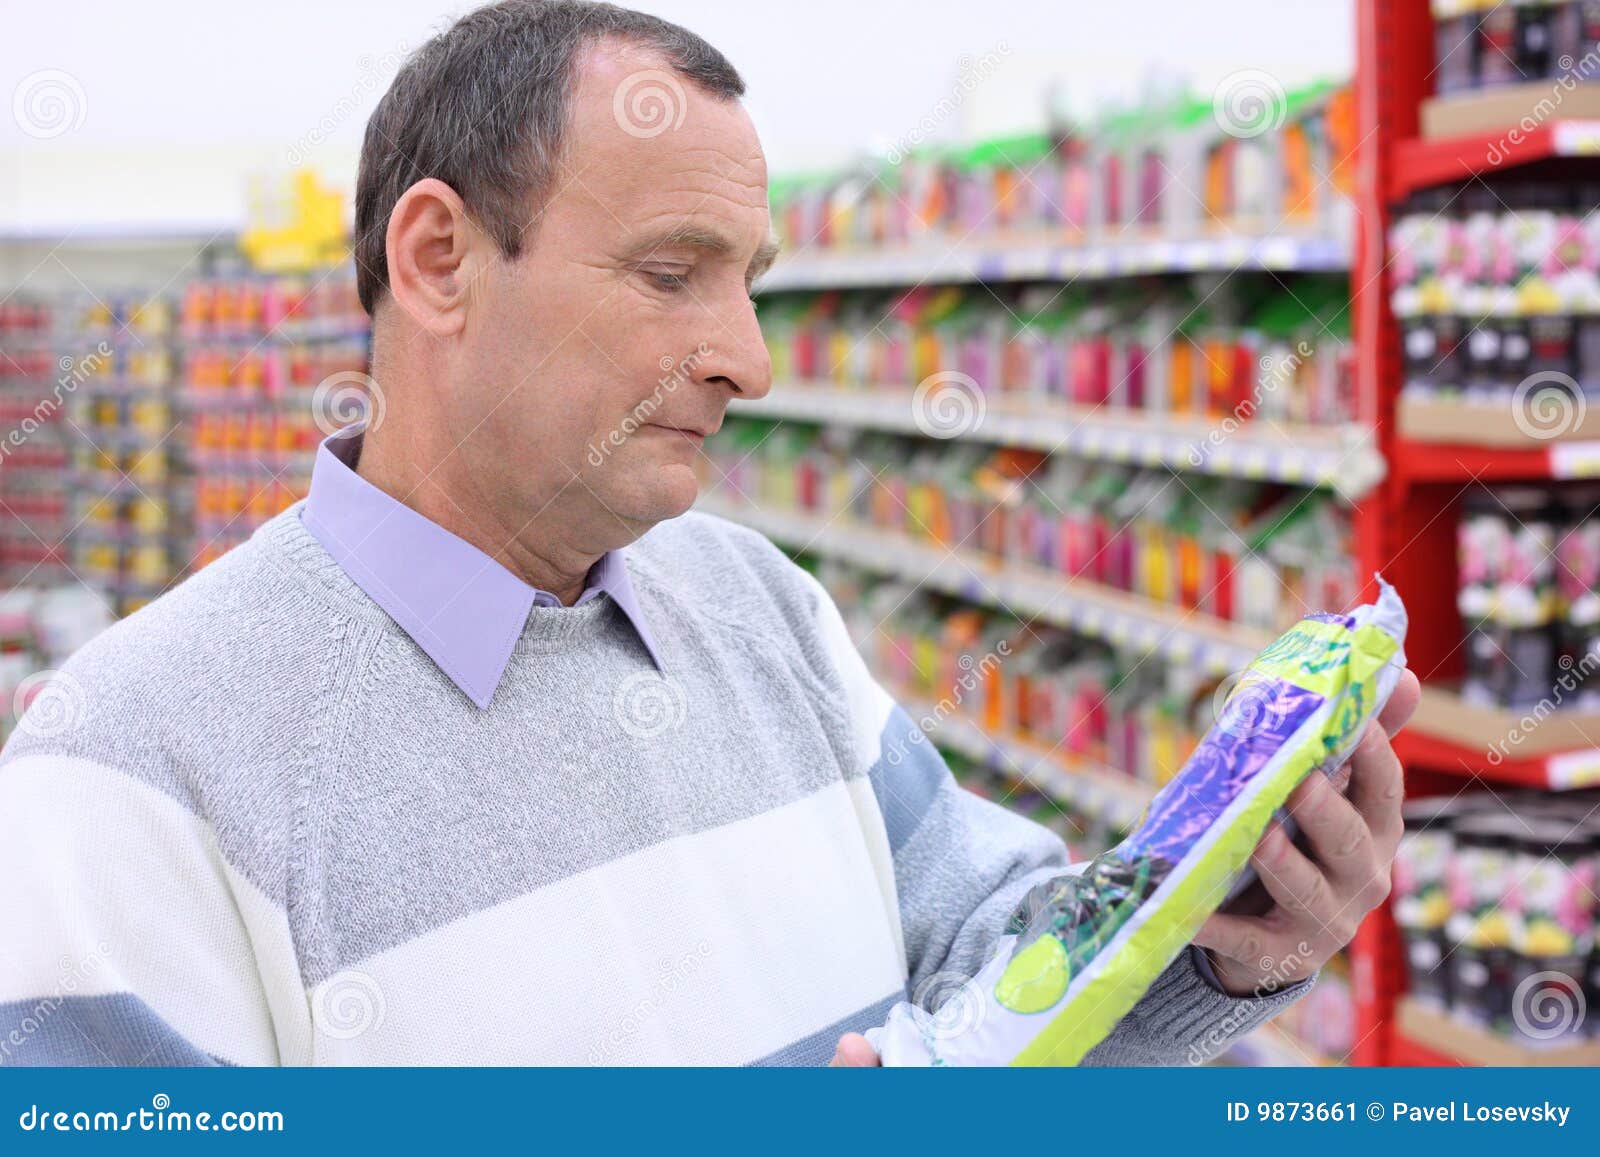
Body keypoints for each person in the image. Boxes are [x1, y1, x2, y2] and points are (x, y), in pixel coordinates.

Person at [0, 0, 1419, 1067]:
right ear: (438, 261)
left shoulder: (759, 602)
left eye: (751, 282)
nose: (751, 359)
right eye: (671, 273)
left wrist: (1214, 934)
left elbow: (983, 977)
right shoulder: (128, 767)